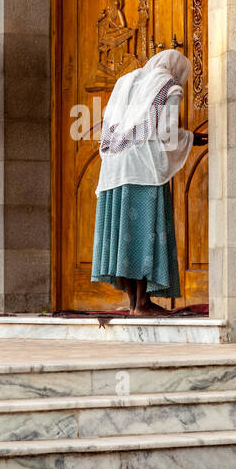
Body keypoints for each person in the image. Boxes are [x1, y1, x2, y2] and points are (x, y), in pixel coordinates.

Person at [91, 49, 206, 316]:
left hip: (114, 167)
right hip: (144, 168)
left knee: (124, 237)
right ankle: (143, 304)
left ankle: (133, 303)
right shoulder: (168, 85)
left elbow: (111, 127)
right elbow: (166, 134)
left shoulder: (127, 82)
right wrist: (191, 139)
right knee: (144, 234)